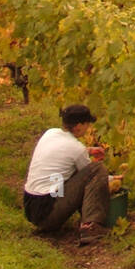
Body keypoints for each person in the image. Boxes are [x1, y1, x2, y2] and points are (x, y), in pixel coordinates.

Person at [22, 104, 110, 245]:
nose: (88, 128)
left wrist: (88, 150)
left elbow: (62, 152)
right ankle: (90, 227)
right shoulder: (77, 149)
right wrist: (115, 179)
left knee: (69, 171)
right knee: (97, 169)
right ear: (78, 127)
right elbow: (90, 177)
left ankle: (82, 221)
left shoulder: (50, 133)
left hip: (31, 206)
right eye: (87, 124)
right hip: (49, 212)